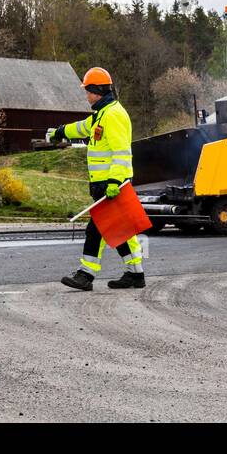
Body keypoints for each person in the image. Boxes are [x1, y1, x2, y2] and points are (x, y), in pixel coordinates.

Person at [47, 67, 145, 290]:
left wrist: (114, 182)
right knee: (120, 231)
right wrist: (61, 131)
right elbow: (84, 128)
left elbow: (122, 152)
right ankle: (136, 274)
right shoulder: (102, 114)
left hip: (112, 185)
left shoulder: (114, 115)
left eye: (88, 91)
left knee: (96, 230)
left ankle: (86, 275)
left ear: (96, 91)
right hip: (103, 185)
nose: (86, 96)